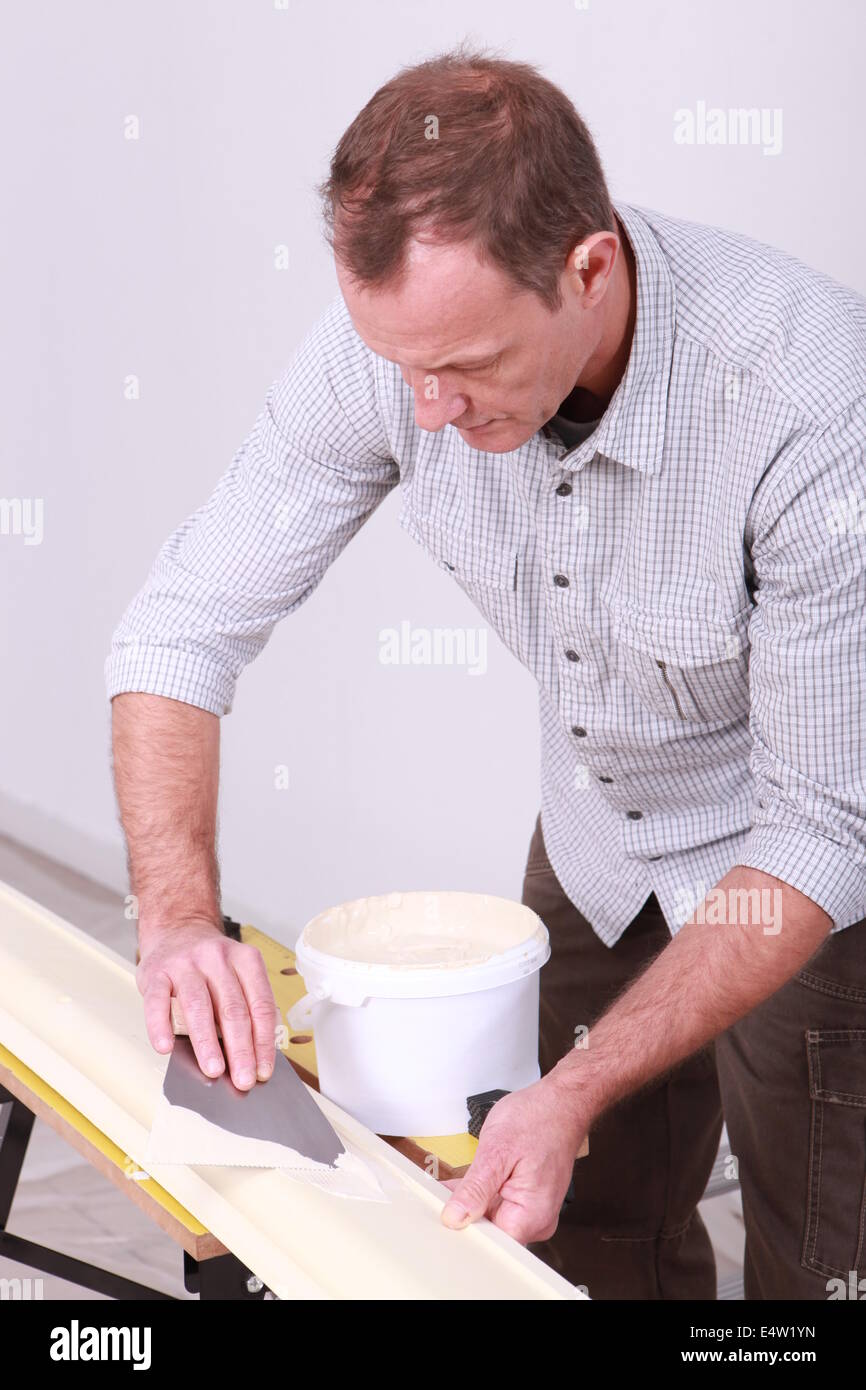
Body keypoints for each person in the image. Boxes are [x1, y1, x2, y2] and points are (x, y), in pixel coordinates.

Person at [107, 46, 866, 1300]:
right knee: (564, 1234)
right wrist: (180, 920)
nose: (426, 413)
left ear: (588, 267)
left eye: (466, 368)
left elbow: (821, 826)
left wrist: (570, 1083)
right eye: (403, 367)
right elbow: (177, 628)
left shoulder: (809, 403)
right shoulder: (407, 347)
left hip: (808, 862)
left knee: (818, 1264)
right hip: (597, 831)